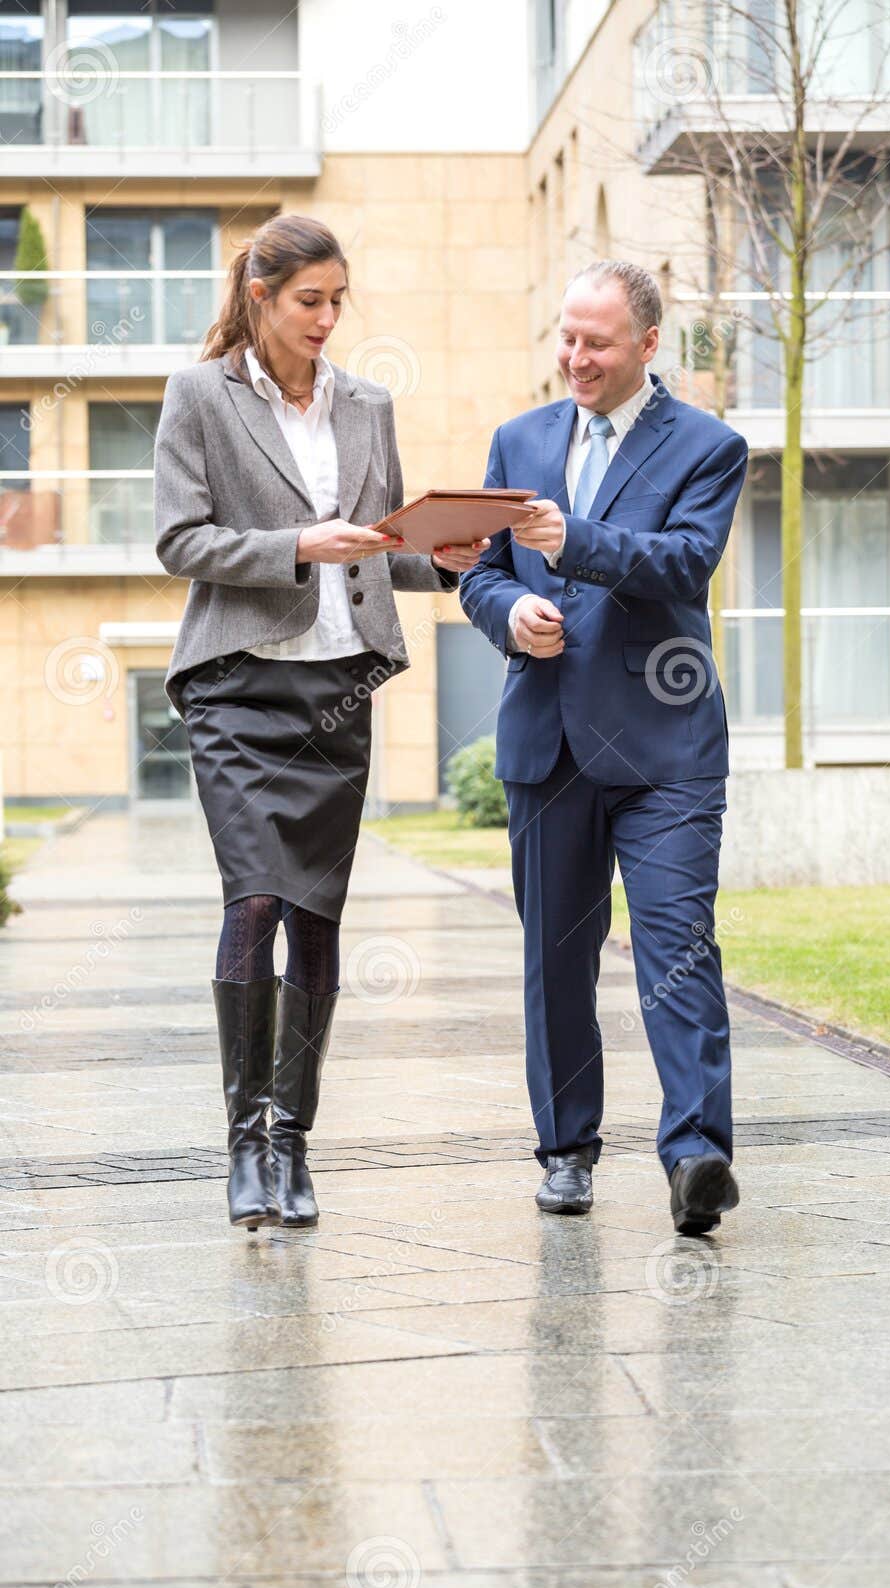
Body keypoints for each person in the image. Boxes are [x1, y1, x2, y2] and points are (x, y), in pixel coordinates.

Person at [154, 213, 484, 1232]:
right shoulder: (200, 396)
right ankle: (246, 1142)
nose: (328, 320)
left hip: (336, 693)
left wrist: (450, 556)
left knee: (317, 918)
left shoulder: (365, 404)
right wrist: (297, 543)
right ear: (260, 295)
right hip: (238, 688)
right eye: (310, 302)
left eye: (339, 301)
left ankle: (294, 1139)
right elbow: (181, 538)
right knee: (254, 900)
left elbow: (379, 545)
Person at [460, 260, 749, 1235]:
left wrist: (572, 540)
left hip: (665, 747)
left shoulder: (709, 446)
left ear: (647, 346)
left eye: (597, 343)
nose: (575, 358)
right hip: (547, 742)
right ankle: (566, 1152)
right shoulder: (519, 438)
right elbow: (479, 574)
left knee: (676, 946)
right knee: (557, 957)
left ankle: (696, 1154)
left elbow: (682, 562)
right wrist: (512, 612)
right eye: (567, 338)